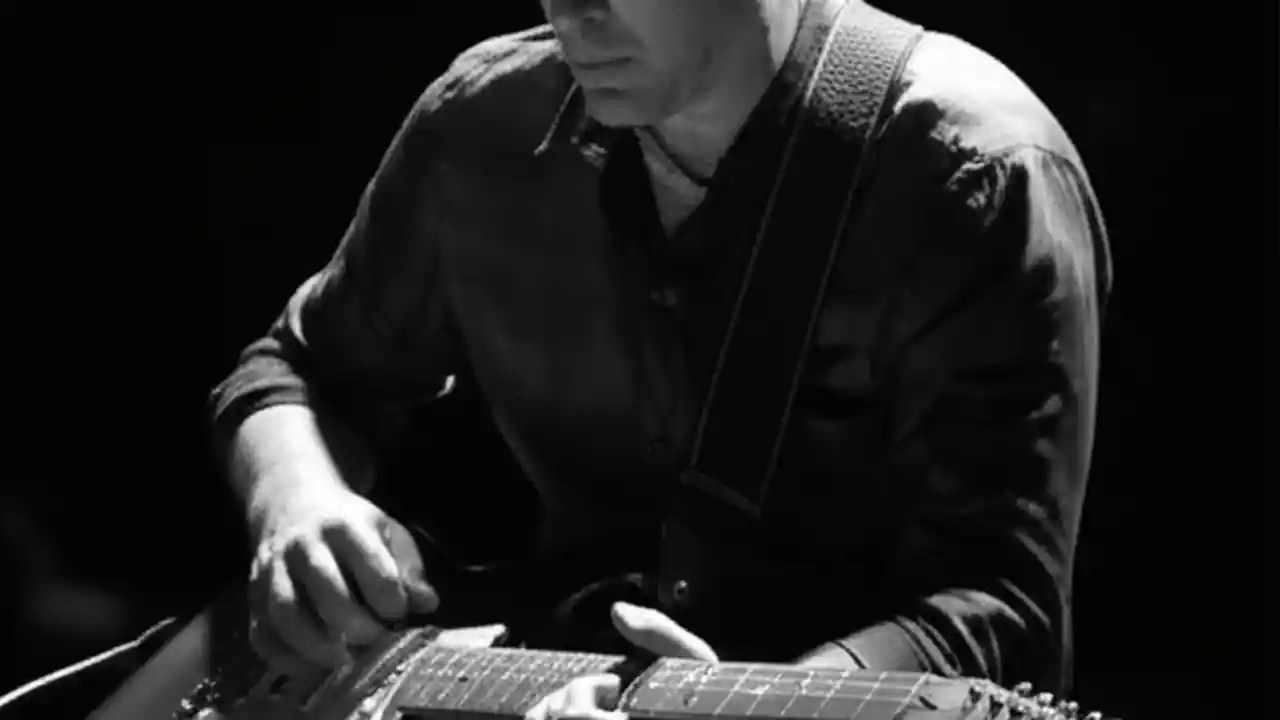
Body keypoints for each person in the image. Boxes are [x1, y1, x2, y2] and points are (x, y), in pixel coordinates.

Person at [213, 0, 1114, 717]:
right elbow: (299, 367)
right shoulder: (480, 124)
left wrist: (750, 706)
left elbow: (999, 612)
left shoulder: (975, 175)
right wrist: (295, 504)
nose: (573, 9)